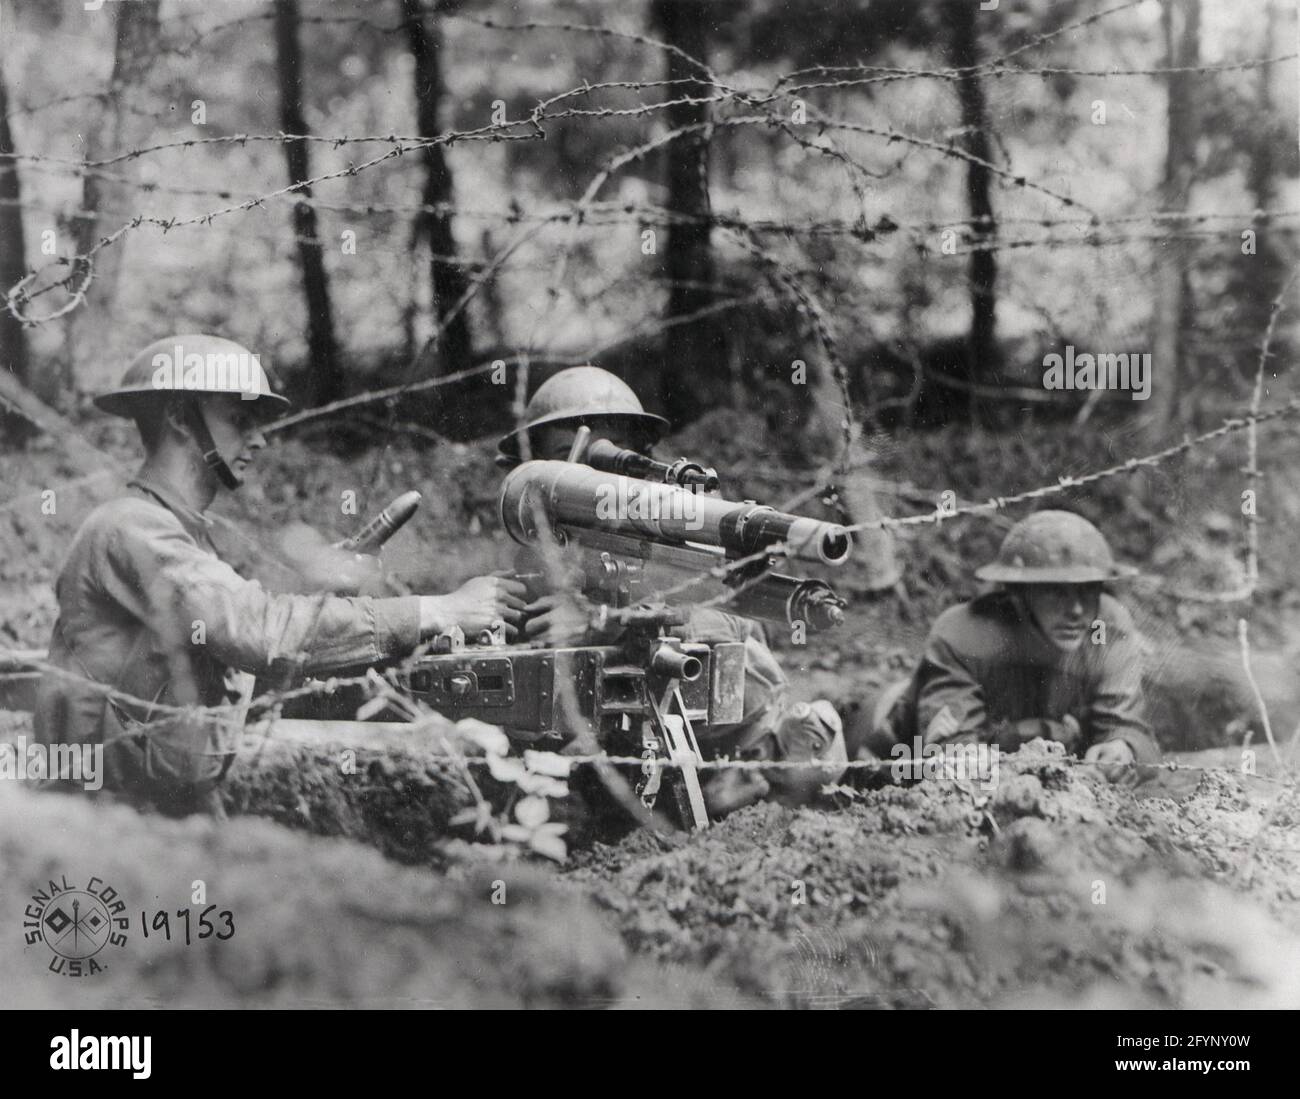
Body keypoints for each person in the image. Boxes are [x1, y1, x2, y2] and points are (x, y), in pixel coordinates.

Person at [34, 334, 525, 816]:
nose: (261, 437)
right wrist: (437, 611)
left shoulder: (174, 530)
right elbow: (259, 632)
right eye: (240, 419)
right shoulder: (132, 527)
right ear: (181, 418)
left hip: (152, 802)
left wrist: (322, 595)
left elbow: (240, 648)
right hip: (103, 814)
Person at [497, 364, 847, 815]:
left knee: (818, 754)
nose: (585, 474)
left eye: (605, 454)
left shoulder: (674, 529)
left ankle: (747, 781)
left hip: (725, 741)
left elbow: (730, 623)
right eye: (567, 456)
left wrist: (604, 624)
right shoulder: (536, 555)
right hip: (612, 760)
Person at [870, 510, 1160, 779]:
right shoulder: (966, 632)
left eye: (1088, 591)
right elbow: (948, 748)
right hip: (899, 753)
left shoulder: (1107, 629)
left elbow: (1129, 727)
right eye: (1054, 592)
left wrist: (1123, 748)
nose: (1075, 610)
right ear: (1018, 593)